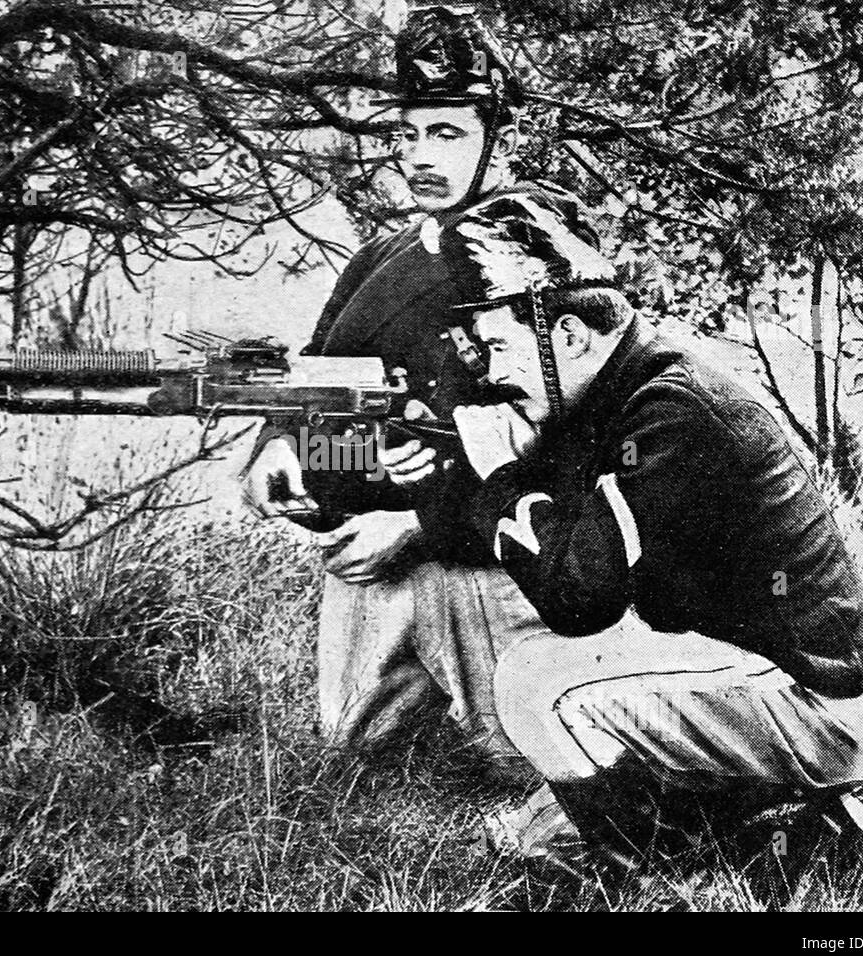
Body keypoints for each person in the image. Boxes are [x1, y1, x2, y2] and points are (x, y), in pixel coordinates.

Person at [386, 190, 863, 861]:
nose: (495, 368)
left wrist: (500, 476)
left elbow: (578, 600)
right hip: (777, 672)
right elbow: (562, 539)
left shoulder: (669, 410)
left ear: (569, 336)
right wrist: (447, 473)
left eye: (501, 345)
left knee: (533, 679)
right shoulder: (633, 384)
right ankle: (730, 820)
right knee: (548, 793)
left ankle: (671, 869)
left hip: (816, 708)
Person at [241, 5, 596, 780]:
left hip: (495, 559)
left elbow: (568, 431)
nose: (420, 157)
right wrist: (278, 443)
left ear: (496, 138)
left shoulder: (540, 244)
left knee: (537, 760)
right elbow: (320, 371)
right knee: (352, 756)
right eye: (408, 135)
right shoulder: (380, 255)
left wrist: (414, 523)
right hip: (372, 555)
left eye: (447, 134)